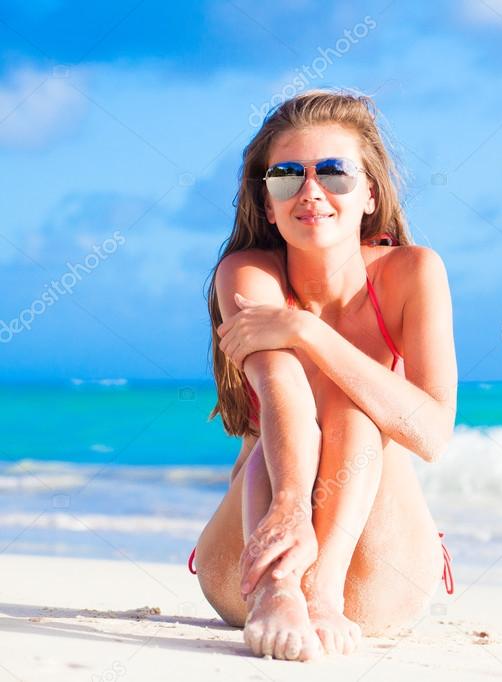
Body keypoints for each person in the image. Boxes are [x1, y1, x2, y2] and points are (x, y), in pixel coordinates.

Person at [192, 88, 458, 662]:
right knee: (287, 426)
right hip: (252, 565)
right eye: (286, 176)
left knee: (353, 408)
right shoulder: (246, 273)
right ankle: (289, 587)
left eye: (334, 173)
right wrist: (290, 508)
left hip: (375, 573)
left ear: (369, 193)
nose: (310, 191)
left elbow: (434, 435)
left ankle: (321, 589)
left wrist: (309, 332)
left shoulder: (414, 272)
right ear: (266, 203)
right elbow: (281, 394)